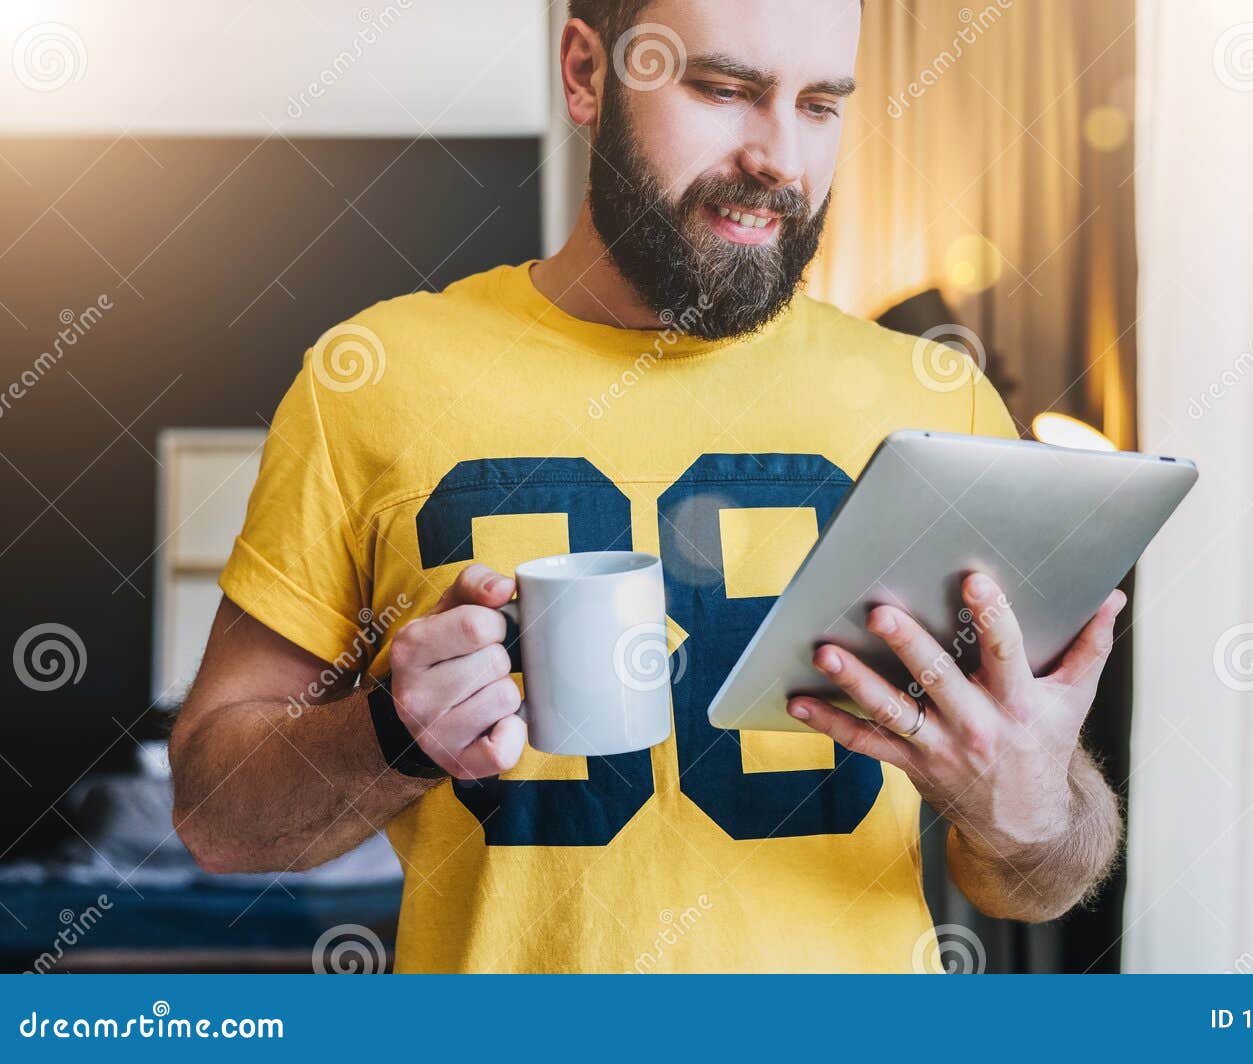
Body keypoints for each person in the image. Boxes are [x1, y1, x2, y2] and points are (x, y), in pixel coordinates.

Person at [169, 0, 1124, 973]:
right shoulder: (372, 377)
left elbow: (1040, 871)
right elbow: (216, 815)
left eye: (821, 105)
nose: (779, 158)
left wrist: (1034, 808)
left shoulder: (937, 399)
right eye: (723, 90)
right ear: (585, 73)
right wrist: (392, 734)